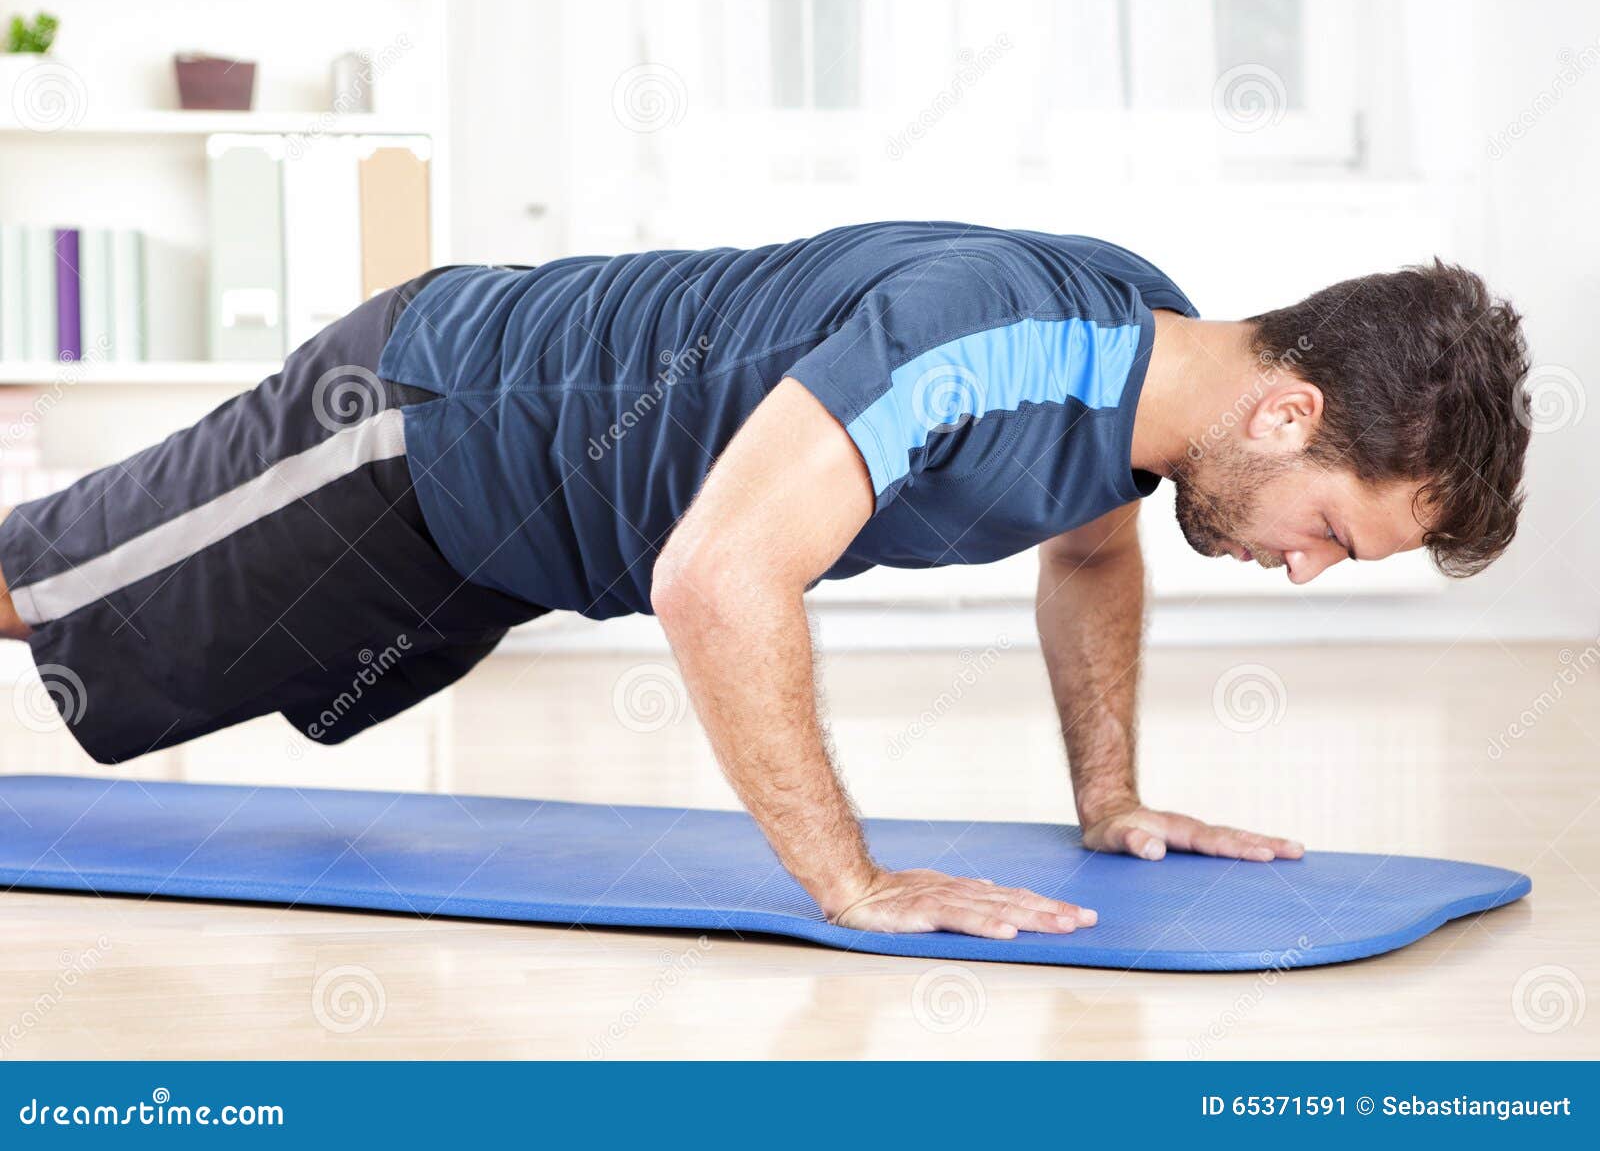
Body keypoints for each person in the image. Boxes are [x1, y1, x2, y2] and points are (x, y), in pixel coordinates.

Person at [0, 221, 1531, 940]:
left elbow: (1091, 550)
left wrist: (1111, 800)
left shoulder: (1150, 359)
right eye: (1335, 529)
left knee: (184, 672)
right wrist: (846, 881)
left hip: (504, 547)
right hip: (423, 429)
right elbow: (717, 578)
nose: (1308, 571)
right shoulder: (988, 337)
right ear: (1287, 415)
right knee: (43, 583)